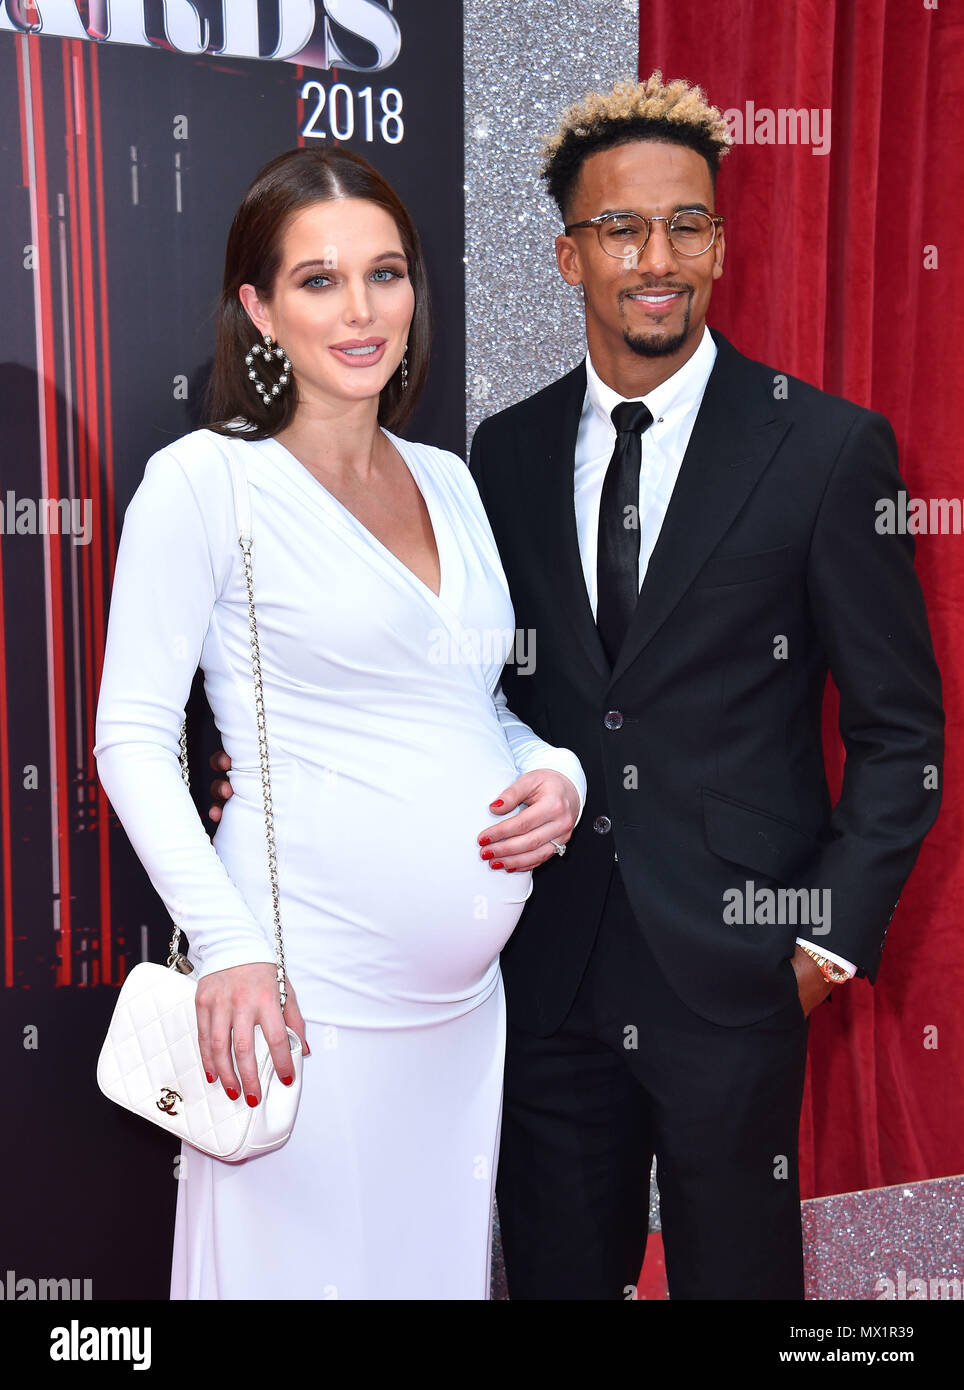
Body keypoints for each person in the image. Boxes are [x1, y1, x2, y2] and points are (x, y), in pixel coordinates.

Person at [467, 73, 944, 1299]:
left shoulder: (827, 447)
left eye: (686, 224)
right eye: (621, 229)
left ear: (721, 244)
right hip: (547, 968)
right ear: (570, 257)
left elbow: (902, 732)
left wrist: (822, 944)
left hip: (736, 969)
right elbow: (474, 691)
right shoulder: (502, 455)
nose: (657, 257)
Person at [93, 145, 585, 1301]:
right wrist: (230, 947)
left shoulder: (448, 481)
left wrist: (552, 770)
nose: (362, 311)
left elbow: (474, 704)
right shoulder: (203, 482)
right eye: (318, 280)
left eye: (386, 273)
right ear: (258, 308)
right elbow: (131, 735)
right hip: (299, 997)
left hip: (462, 1017)